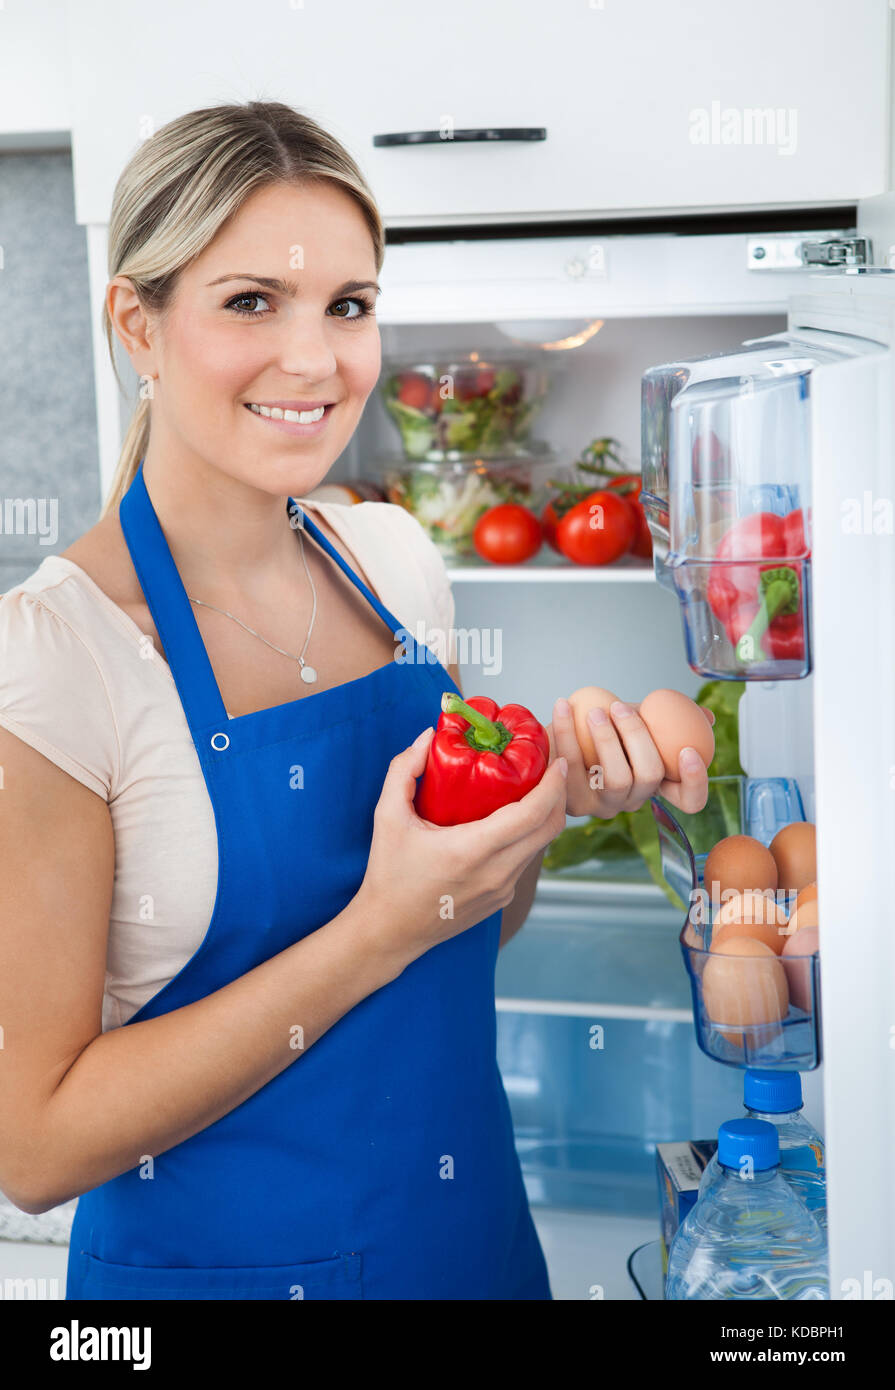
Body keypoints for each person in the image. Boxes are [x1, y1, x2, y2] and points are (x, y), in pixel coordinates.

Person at [0, 100, 710, 1300]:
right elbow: (38, 1144)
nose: (317, 360)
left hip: (472, 1250)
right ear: (139, 322)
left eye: (349, 304)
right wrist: (373, 930)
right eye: (249, 302)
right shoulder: (56, 655)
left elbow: (467, 922)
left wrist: (539, 807)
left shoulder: (389, 563)